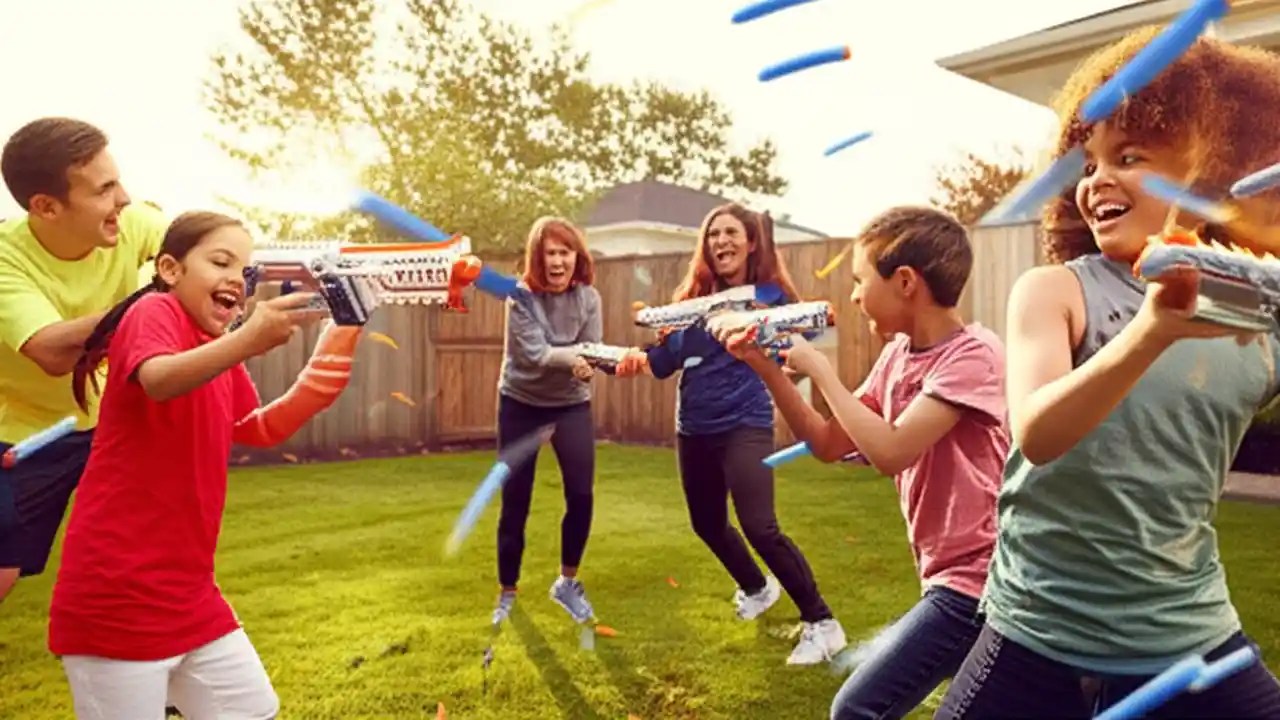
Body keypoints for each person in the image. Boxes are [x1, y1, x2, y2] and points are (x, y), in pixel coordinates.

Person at [934, 30, 1280, 718]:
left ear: (1214, 168)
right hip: (1034, 633)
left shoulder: (1260, 317)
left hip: (1186, 639)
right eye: (1088, 163)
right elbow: (1037, 432)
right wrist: (1152, 331)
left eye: (1129, 156)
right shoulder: (1055, 291)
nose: (1095, 182)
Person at [49, 211, 358, 719]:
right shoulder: (154, 311)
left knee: (252, 709)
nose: (237, 278)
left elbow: (259, 428)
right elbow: (158, 379)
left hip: (189, 594)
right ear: (170, 269)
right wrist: (246, 339)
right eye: (221, 262)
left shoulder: (216, 351)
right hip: (116, 593)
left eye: (245, 270)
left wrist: (341, 336)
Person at [714, 206, 1008, 717]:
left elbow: (892, 451)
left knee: (856, 710)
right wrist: (765, 366)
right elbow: (829, 443)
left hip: (981, 583)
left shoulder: (974, 356)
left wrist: (821, 371)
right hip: (948, 577)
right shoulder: (898, 356)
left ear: (905, 282)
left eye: (859, 280)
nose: (853, 296)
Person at [615, 204, 847, 665]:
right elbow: (662, 362)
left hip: (745, 422)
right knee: (707, 524)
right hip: (693, 427)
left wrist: (769, 326)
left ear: (751, 242)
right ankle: (757, 588)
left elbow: (807, 337)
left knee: (759, 526)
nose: (721, 241)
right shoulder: (691, 303)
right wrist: (621, 360)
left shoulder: (770, 297)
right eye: (713, 234)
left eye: (731, 233)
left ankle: (822, 623)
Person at [0, 117, 168, 603]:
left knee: (146, 556)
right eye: (104, 189)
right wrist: (145, 307)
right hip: (25, 433)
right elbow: (52, 352)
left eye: (118, 181)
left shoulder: (134, 224)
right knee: (4, 563)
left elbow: (201, 256)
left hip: (110, 421)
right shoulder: (7, 259)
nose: (124, 199)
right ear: (46, 206)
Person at [491, 217, 603, 626]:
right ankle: (507, 591)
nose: (557, 262)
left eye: (564, 252)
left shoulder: (589, 298)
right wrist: (576, 358)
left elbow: (592, 348)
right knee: (516, 499)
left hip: (570, 404)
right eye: (549, 254)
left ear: (577, 256)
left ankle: (567, 583)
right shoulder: (520, 298)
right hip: (521, 403)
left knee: (581, 494)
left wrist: (590, 364)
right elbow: (536, 355)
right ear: (537, 259)